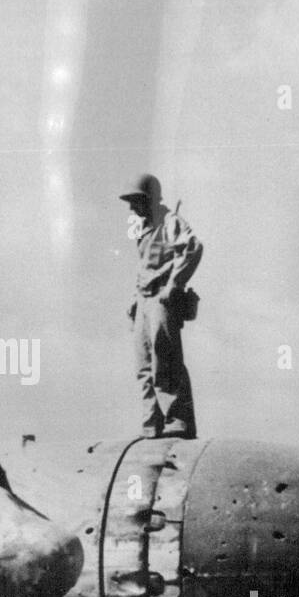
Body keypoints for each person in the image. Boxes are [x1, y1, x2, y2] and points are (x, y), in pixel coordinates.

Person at [122, 174, 202, 438]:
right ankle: (151, 425)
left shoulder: (169, 221)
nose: (132, 208)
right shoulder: (145, 228)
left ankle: (176, 420)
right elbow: (144, 266)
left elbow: (192, 247)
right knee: (143, 364)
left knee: (164, 359)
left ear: (148, 199)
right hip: (145, 298)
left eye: (136, 201)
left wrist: (173, 285)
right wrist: (135, 300)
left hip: (161, 297)